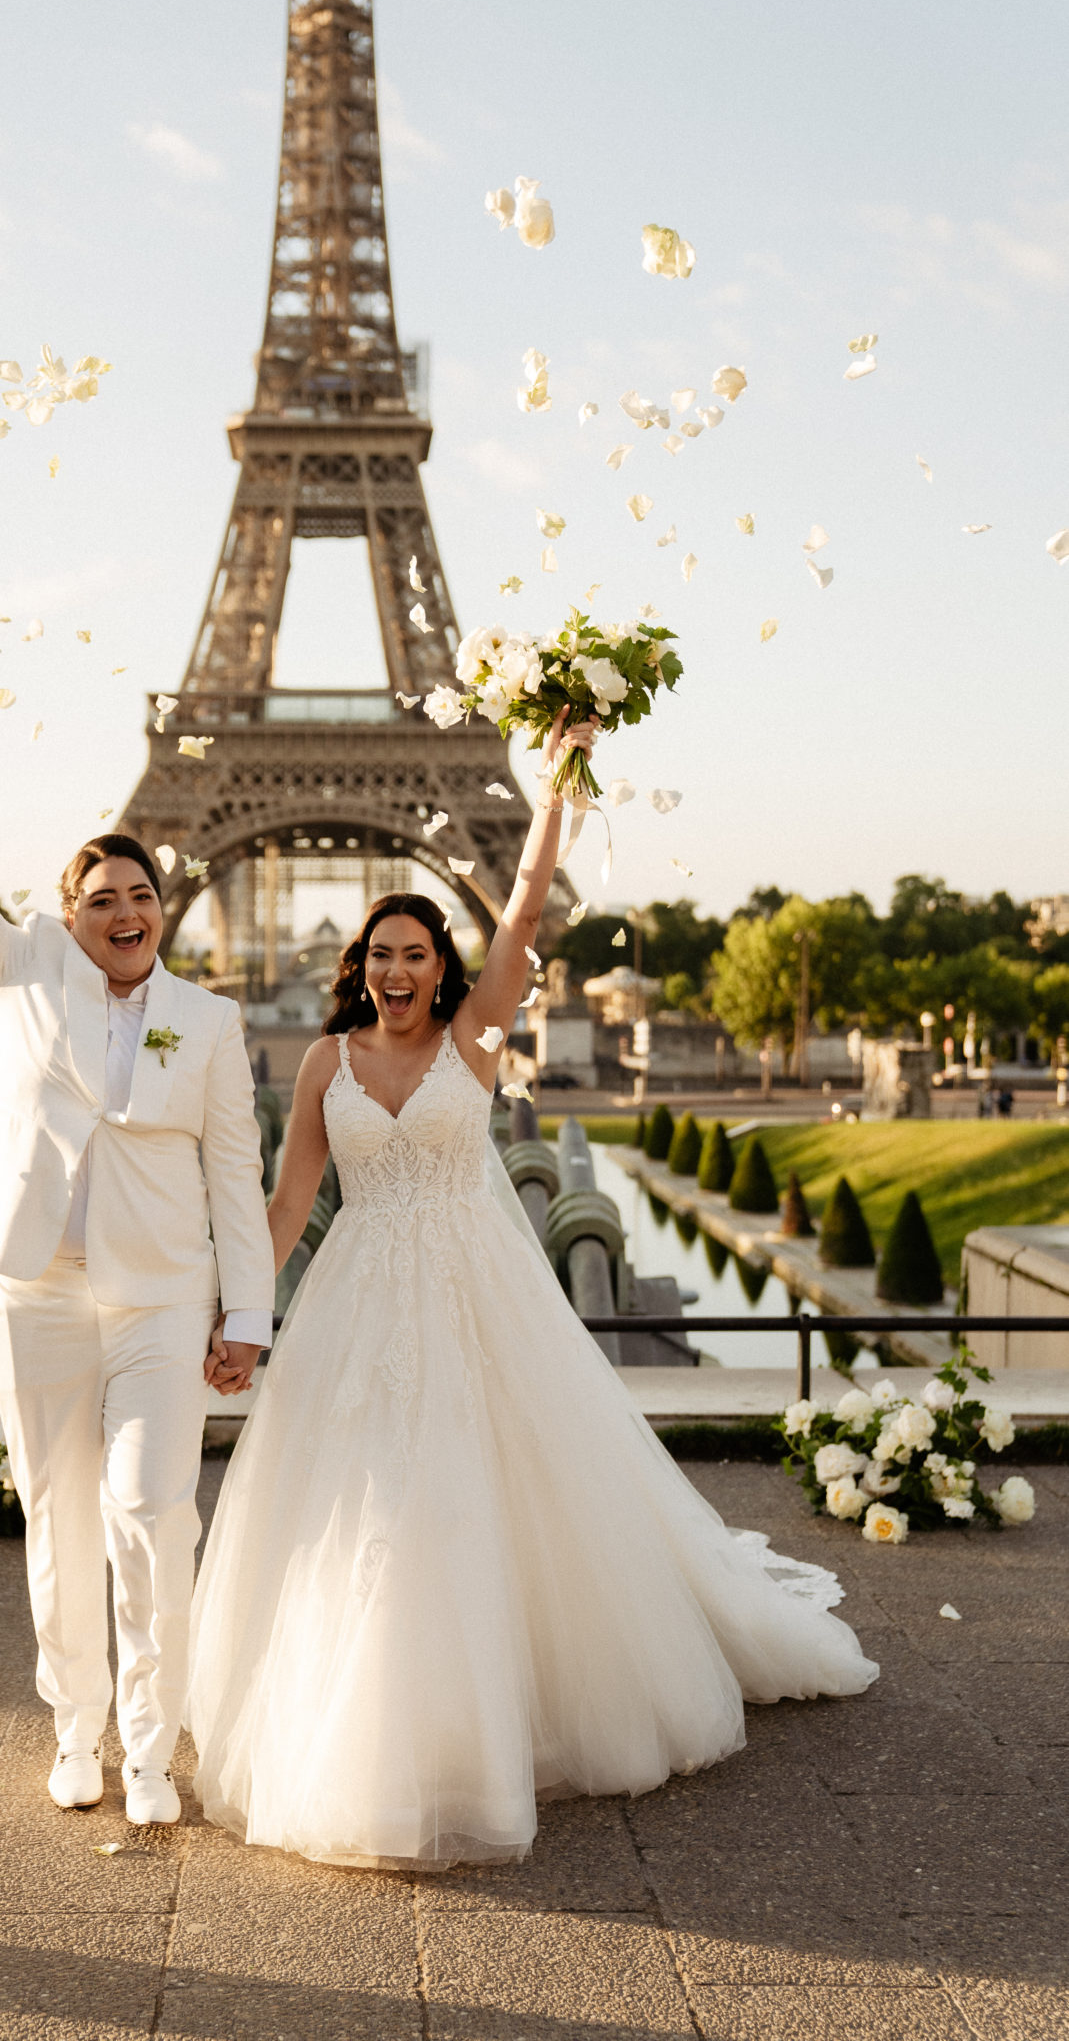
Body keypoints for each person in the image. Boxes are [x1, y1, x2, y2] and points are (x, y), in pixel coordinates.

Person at [188, 710, 878, 1870]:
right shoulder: (322, 1063)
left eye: (417, 953)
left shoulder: (476, 1038)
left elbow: (525, 910)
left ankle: (490, 1714)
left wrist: (558, 781)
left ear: (443, 971)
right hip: (364, 1299)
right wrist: (241, 1321)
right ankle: (395, 1725)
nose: (397, 970)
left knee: (485, 1493)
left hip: (476, 1289)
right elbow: (289, 1206)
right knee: (380, 1508)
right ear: (355, 968)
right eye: (380, 955)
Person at [0, 644, 274, 1826]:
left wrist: (248, 1315)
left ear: (165, 910)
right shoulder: (17, 971)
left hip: (163, 1297)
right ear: (68, 915)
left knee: (155, 1514)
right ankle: (77, 1730)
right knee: (60, 1522)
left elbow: (235, 1170)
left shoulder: (207, 1022)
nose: (125, 910)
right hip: (38, 1289)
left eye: (142, 895)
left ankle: (155, 1747)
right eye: (101, 896)